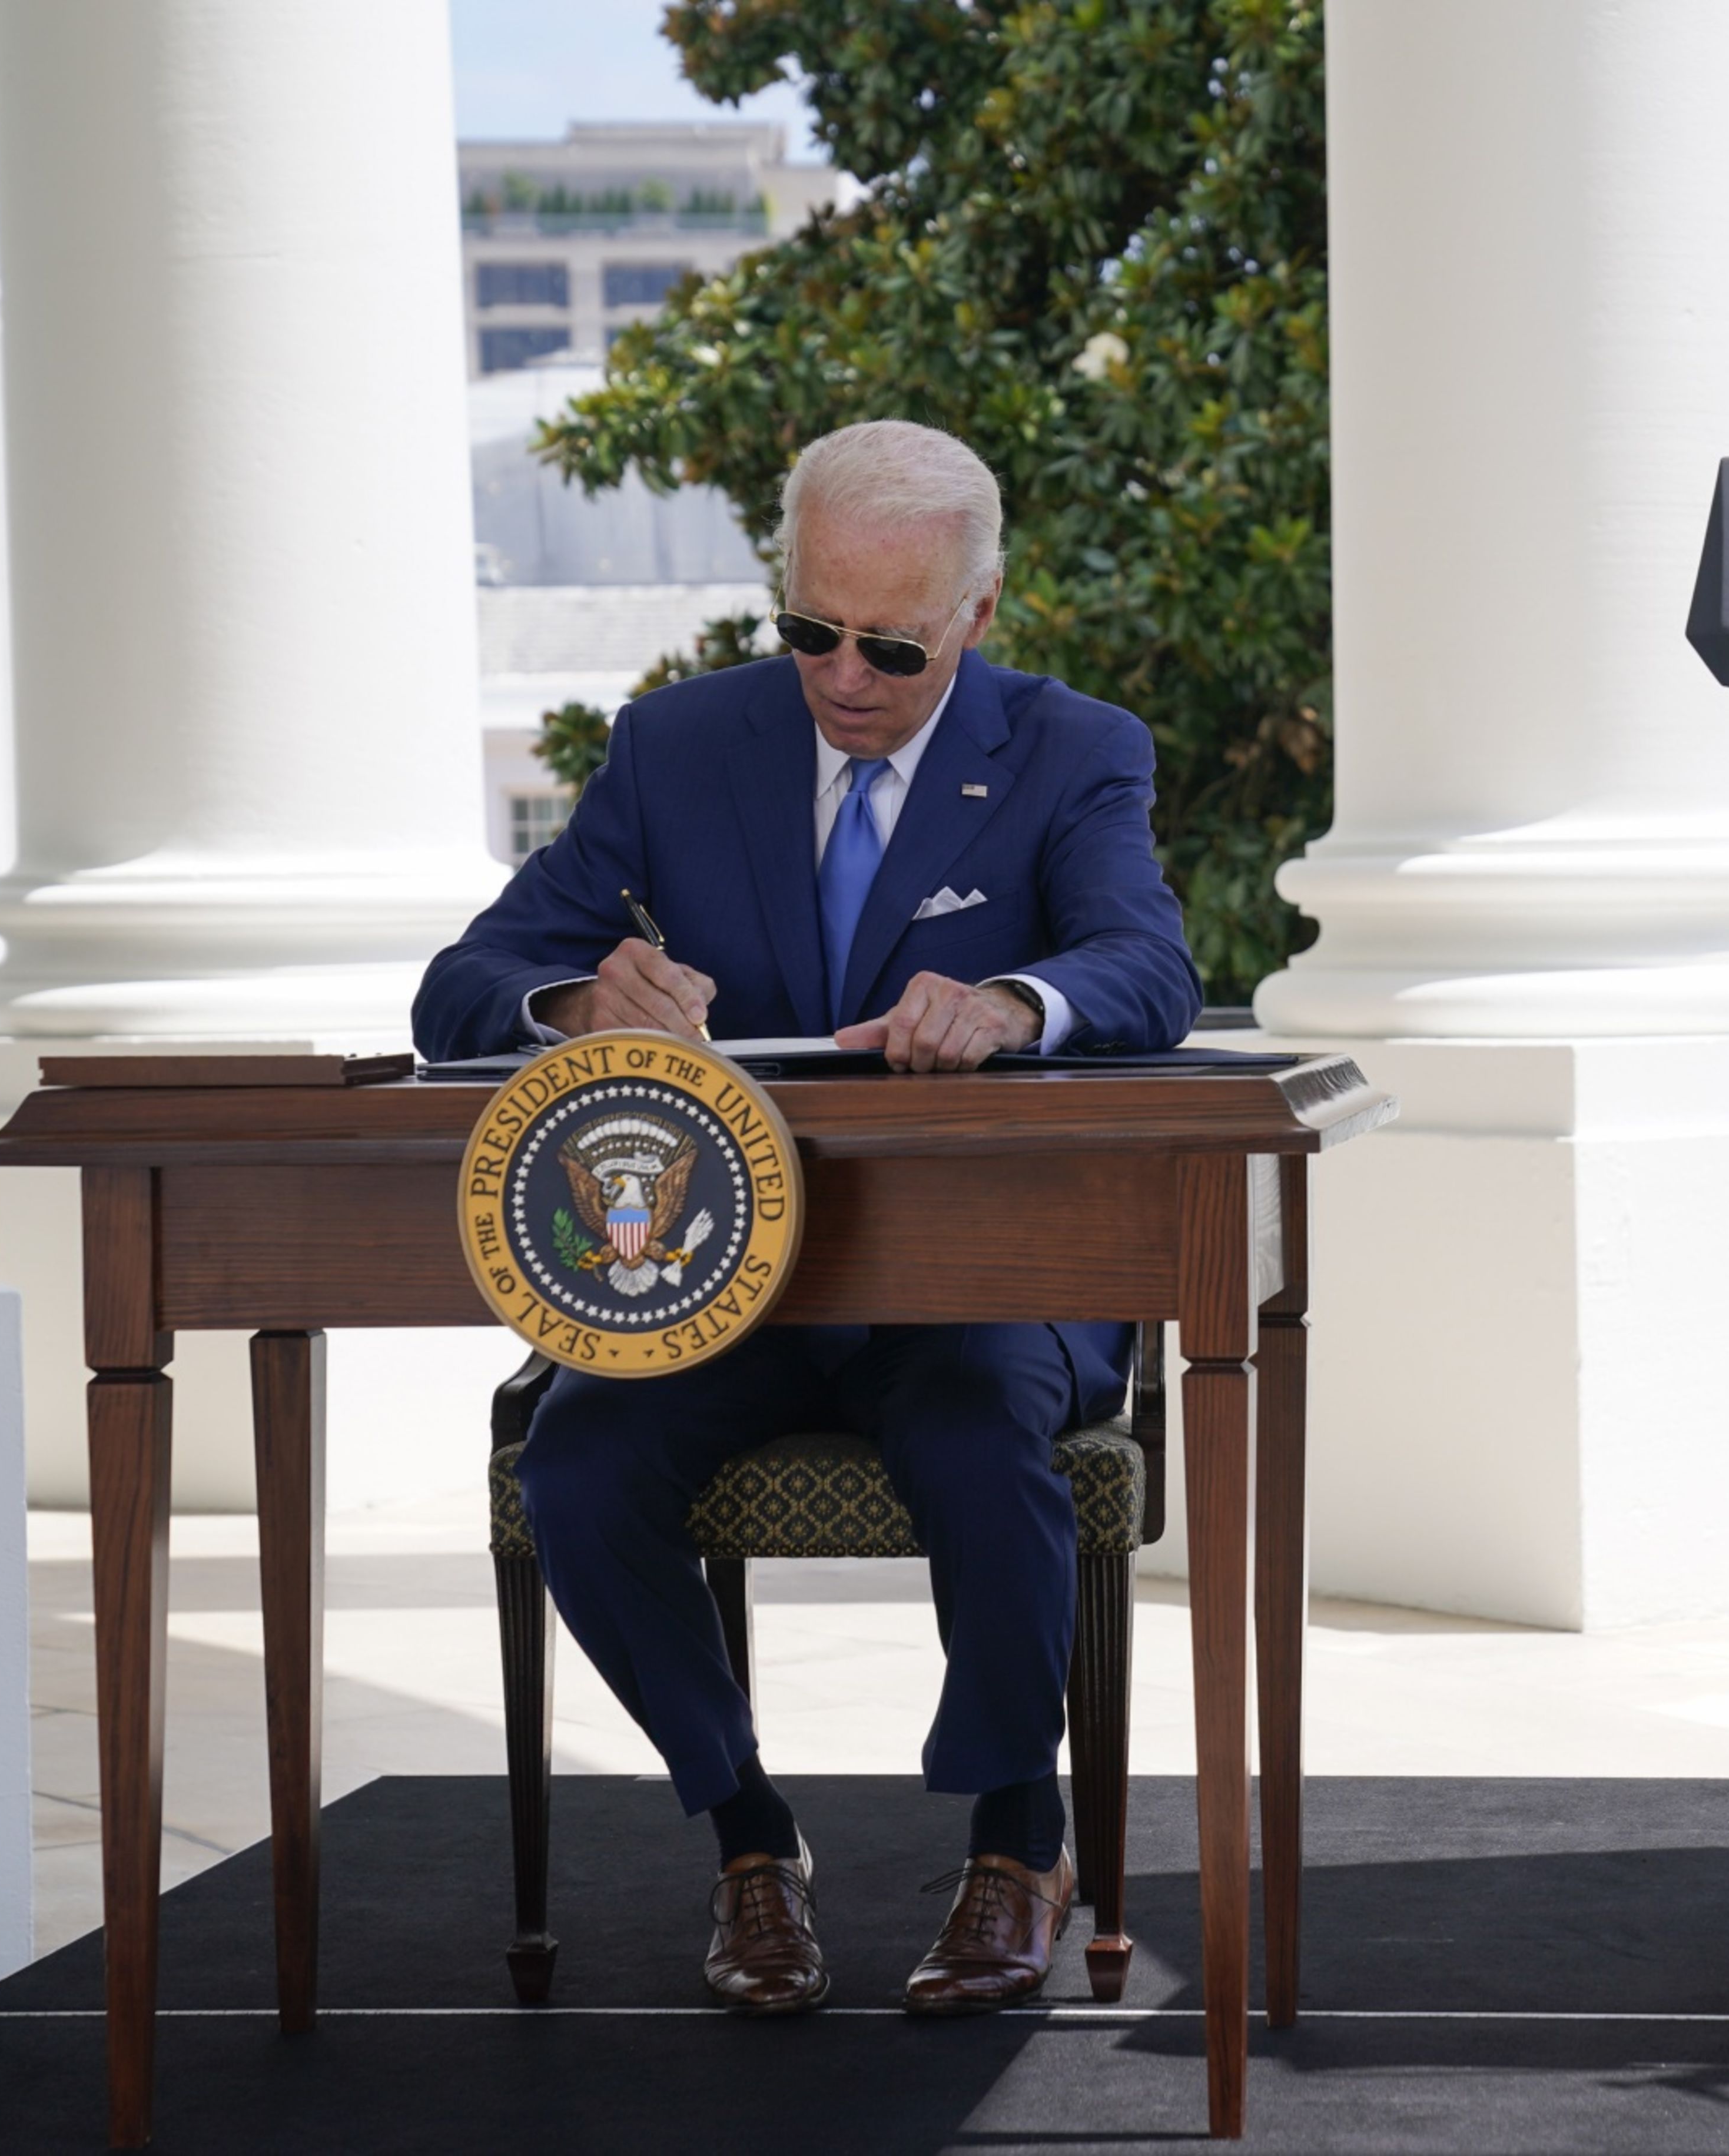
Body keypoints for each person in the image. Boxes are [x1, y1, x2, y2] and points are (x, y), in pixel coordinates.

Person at [415, 419, 1203, 2016]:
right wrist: (577, 996)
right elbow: (460, 987)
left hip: (979, 1278)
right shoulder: (678, 747)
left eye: (892, 646)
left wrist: (1013, 1000)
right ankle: (748, 1838)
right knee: (577, 1460)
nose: (842, 675)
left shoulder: (1075, 748)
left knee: (983, 1429)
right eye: (809, 629)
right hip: (728, 1281)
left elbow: (1150, 971)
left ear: (980, 615)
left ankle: (1015, 1839)